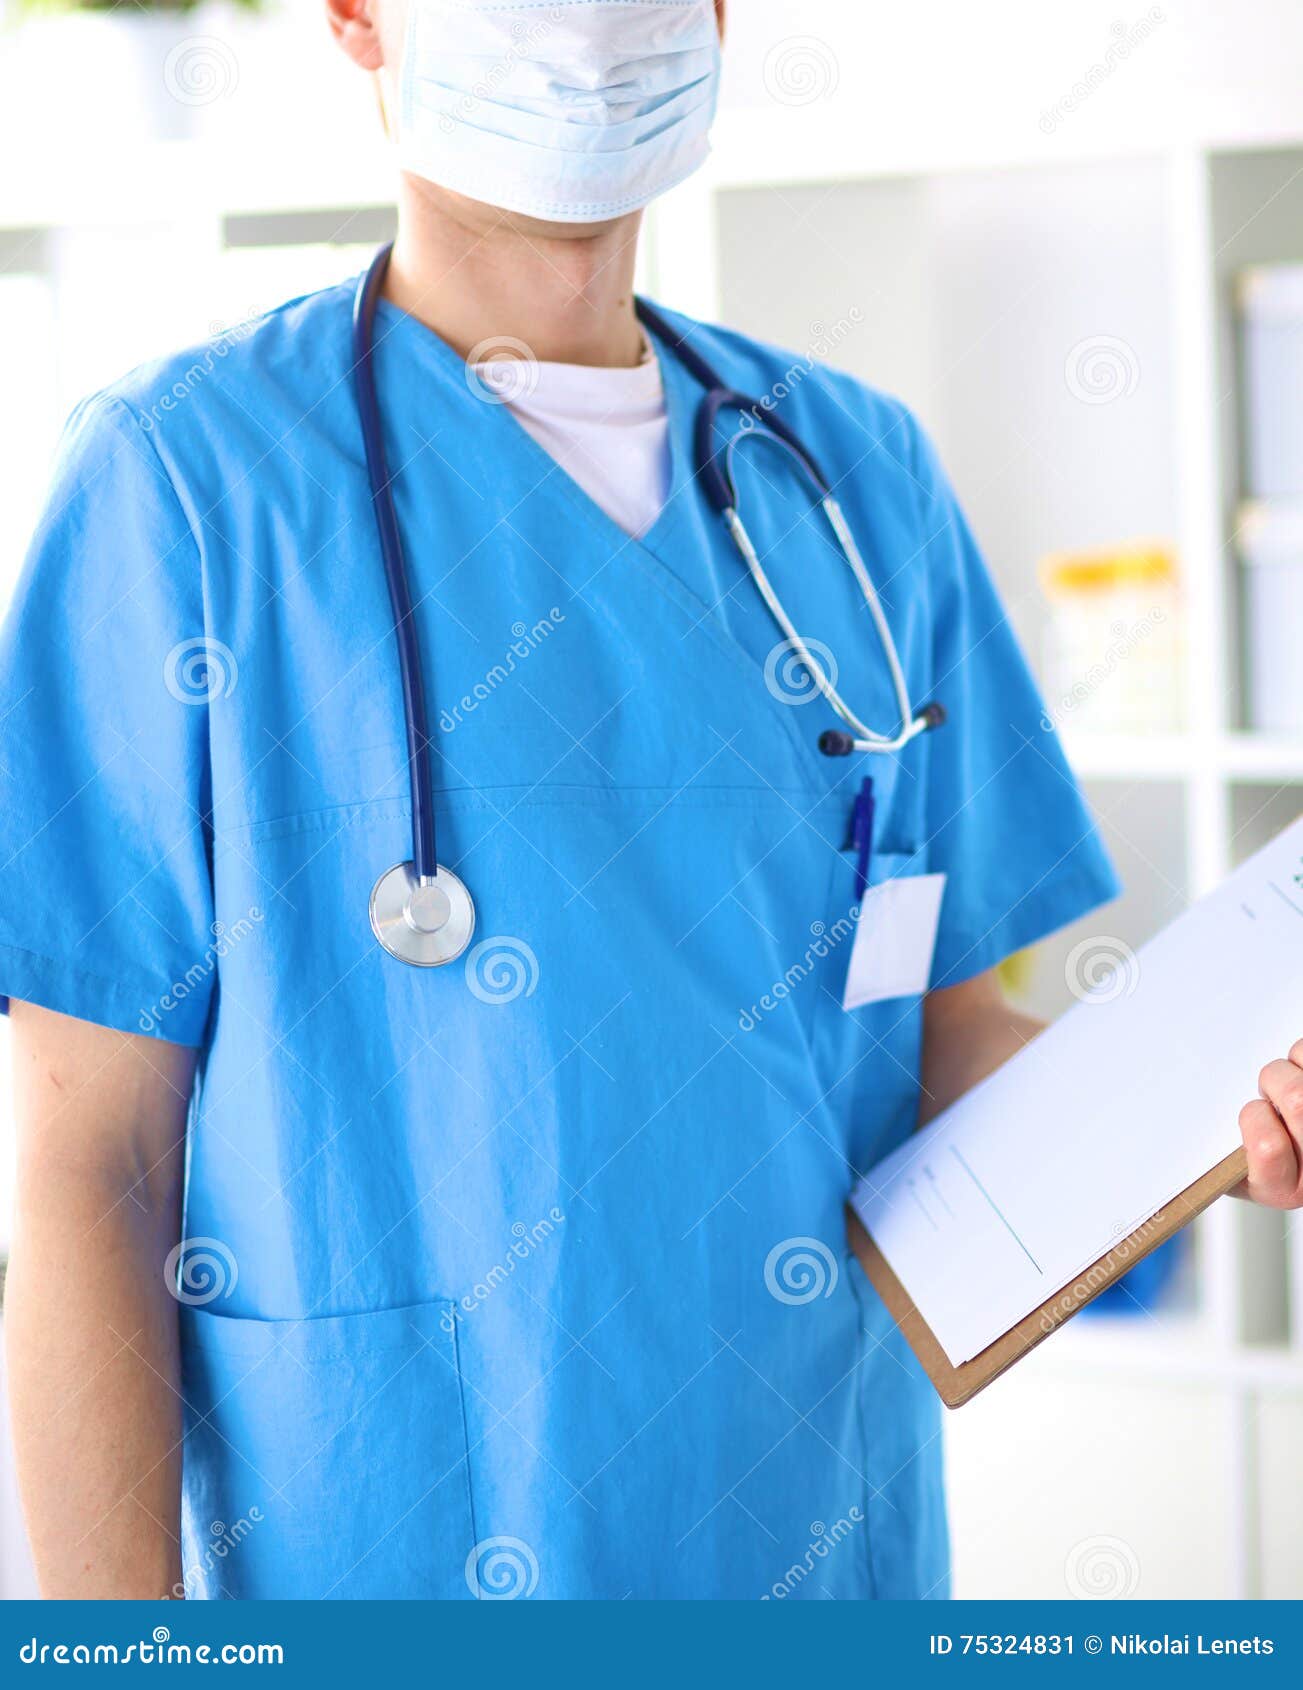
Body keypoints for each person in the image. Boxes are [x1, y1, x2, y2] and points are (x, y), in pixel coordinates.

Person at [2, 0, 1301, 1603]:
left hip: (820, 1542)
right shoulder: (187, 485)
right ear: (354, 18)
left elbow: (939, 1036)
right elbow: (87, 1161)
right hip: (382, 1553)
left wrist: (1218, 1106)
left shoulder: (853, 470)